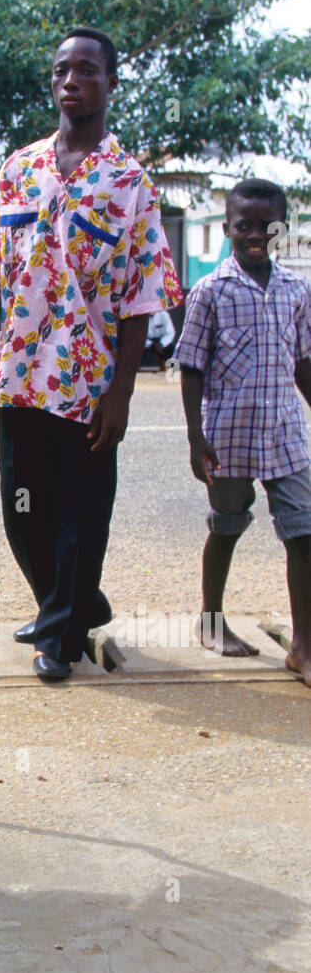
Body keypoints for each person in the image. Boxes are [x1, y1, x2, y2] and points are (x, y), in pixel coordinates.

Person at [0, 27, 182, 681]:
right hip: (21, 374)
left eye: (87, 70)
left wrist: (122, 392)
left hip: (90, 382)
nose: (71, 80)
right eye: (62, 69)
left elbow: (143, 293)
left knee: (82, 514)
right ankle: (75, 603)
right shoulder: (19, 169)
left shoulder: (129, 181)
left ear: (110, 83)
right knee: (22, 508)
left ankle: (59, 634)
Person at [174, 179, 311, 681]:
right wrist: (195, 438)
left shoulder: (298, 290)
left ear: (283, 229)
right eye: (243, 226)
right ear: (227, 229)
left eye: (266, 226)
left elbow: (303, 363)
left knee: (304, 533)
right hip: (228, 436)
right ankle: (211, 621)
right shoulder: (211, 291)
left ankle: (302, 645)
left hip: (286, 435)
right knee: (227, 526)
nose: (256, 234)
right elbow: (190, 366)